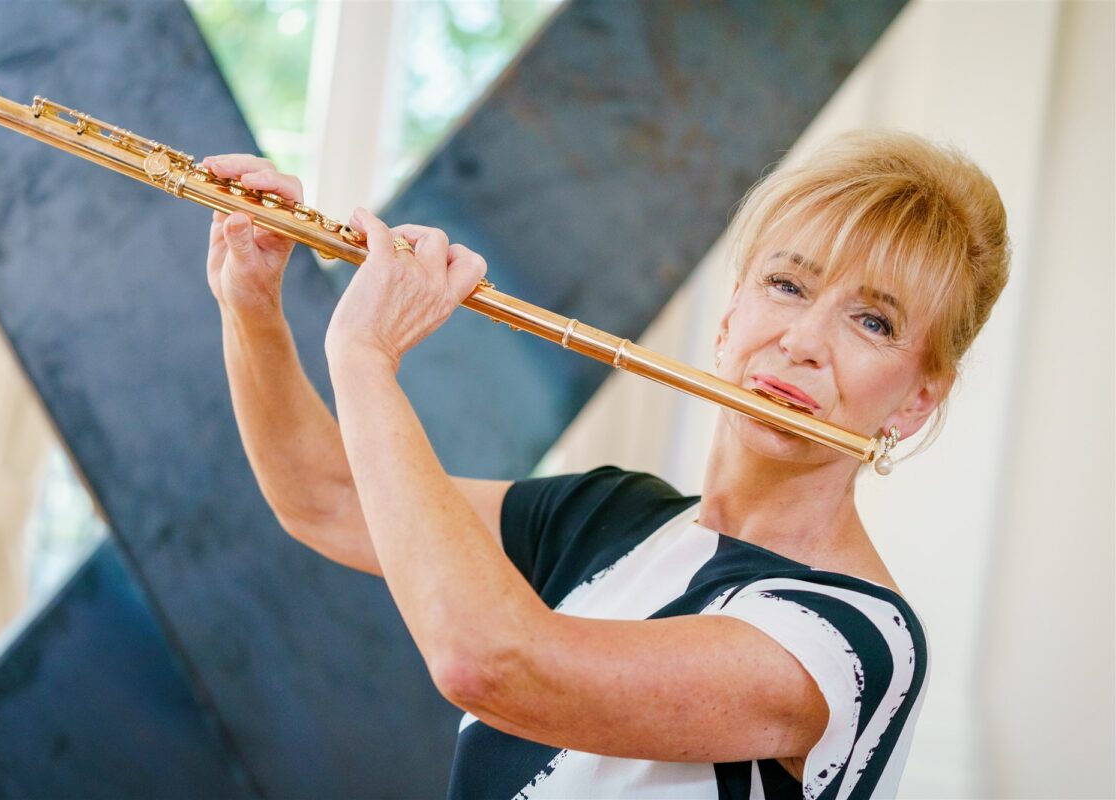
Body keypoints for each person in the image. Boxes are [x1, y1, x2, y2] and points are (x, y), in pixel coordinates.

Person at [202, 130, 1009, 799]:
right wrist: (251, 302)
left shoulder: (853, 638)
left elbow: (491, 664)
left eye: (872, 321)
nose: (802, 341)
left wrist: (366, 355)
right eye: (788, 284)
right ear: (732, 315)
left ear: (915, 401)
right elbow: (327, 498)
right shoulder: (618, 518)